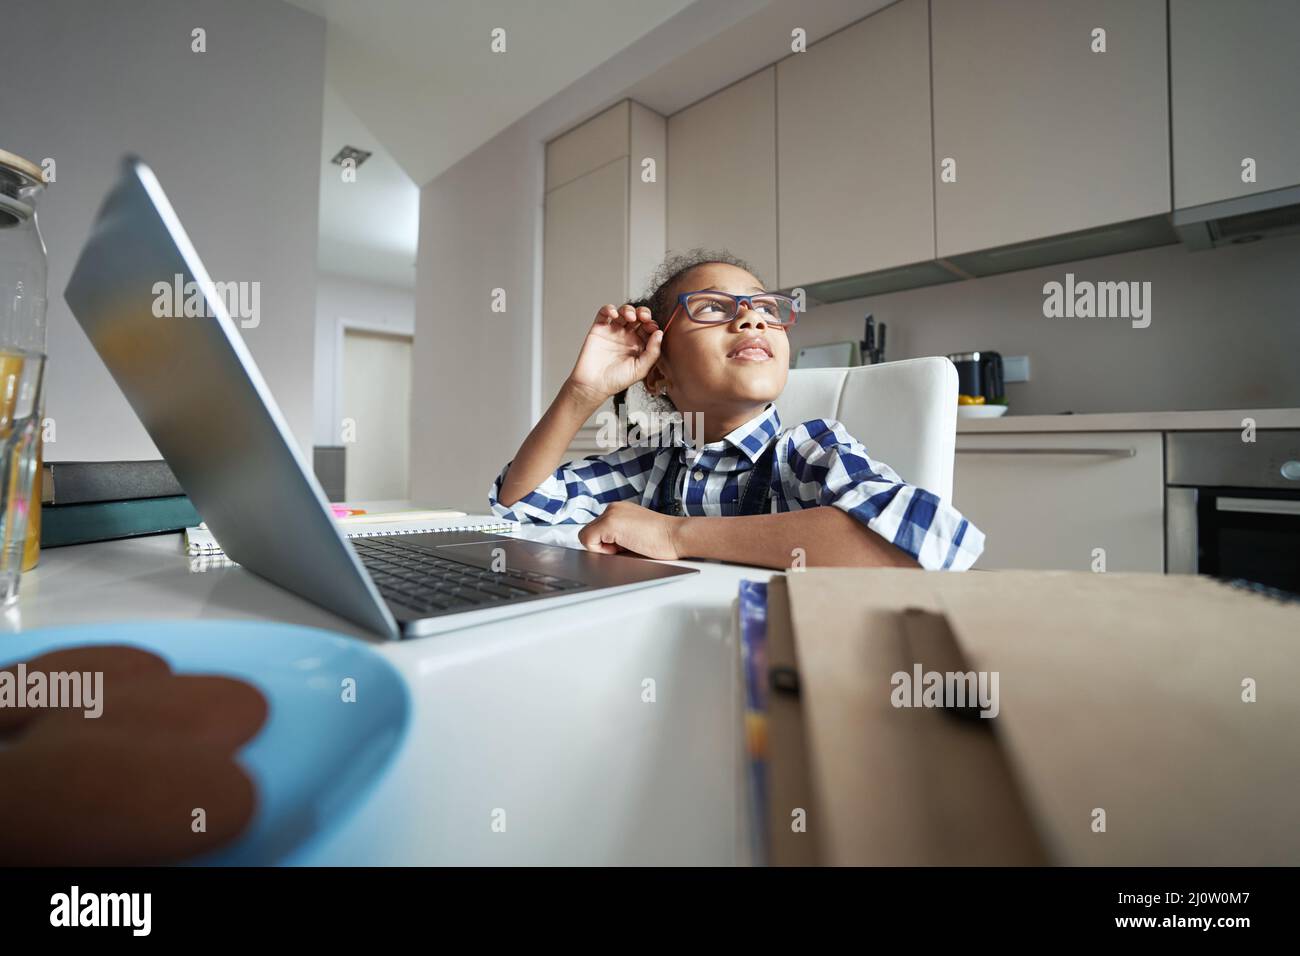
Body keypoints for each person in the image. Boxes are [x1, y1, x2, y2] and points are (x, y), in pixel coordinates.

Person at [488, 250, 984, 571]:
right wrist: (583, 391)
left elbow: (927, 540)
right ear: (660, 372)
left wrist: (673, 534)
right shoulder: (651, 464)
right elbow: (521, 502)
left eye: (766, 308)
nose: (752, 318)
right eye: (712, 307)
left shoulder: (810, 451)